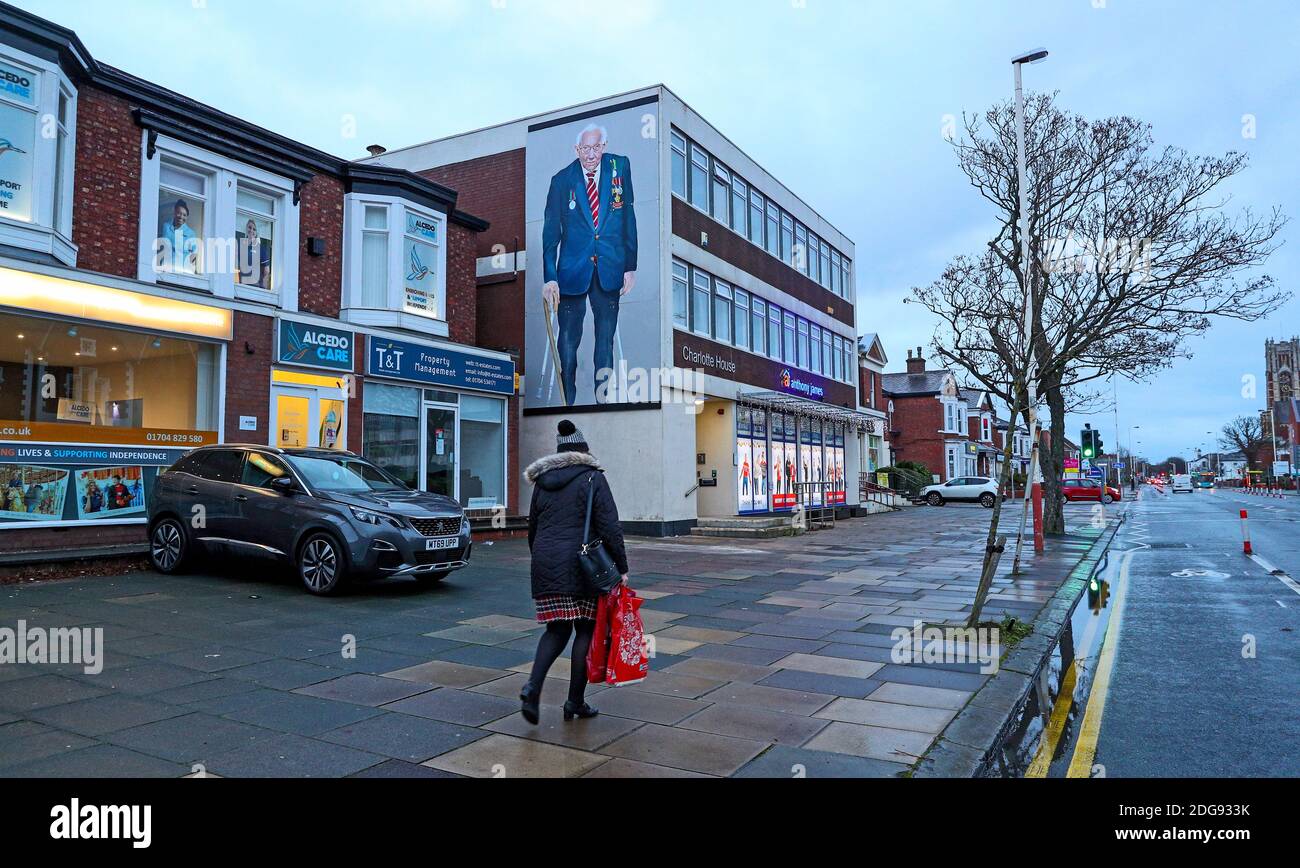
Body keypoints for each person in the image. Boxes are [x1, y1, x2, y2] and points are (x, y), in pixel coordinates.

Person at [520, 419, 629, 724]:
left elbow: (533, 528)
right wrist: (621, 568)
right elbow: (610, 527)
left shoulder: (542, 482)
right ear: (583, 451)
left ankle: (532, 687)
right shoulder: (593, 478)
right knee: (585, 629)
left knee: (555, 630)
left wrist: (541, 560)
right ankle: (574, 702)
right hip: (583, 566)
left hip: (545, 561)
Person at [541, 123, 638, 406]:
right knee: (568, 345)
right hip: (571, 273)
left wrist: (630, 265)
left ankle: (603, 402)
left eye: (596, 147)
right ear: (577, 149)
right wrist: (550, 277)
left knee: (604, 343)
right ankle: (566, 402)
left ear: (604, 146)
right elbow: (550, 233)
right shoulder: (561, 181)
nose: (591, 154)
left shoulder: (620, 167)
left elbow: (627, 216)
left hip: (609, 269)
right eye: (585, 149)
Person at [159, 199, 200, 273]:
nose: (181, 217)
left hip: (181, 271)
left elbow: (194, 255)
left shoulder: (191, 233)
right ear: (174, 212)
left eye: (184, 215)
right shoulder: (166, 226)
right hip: (165, 269)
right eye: (179, 213)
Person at [236, 218, 272, 288]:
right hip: (242, 286)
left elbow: (266, 271)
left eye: (254, 229)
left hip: (256, 287)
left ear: (256, 233)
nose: (251, 230)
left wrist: (263, 290)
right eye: (249, 227)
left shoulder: (261, 249)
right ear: (246, 229)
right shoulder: (239, 246)